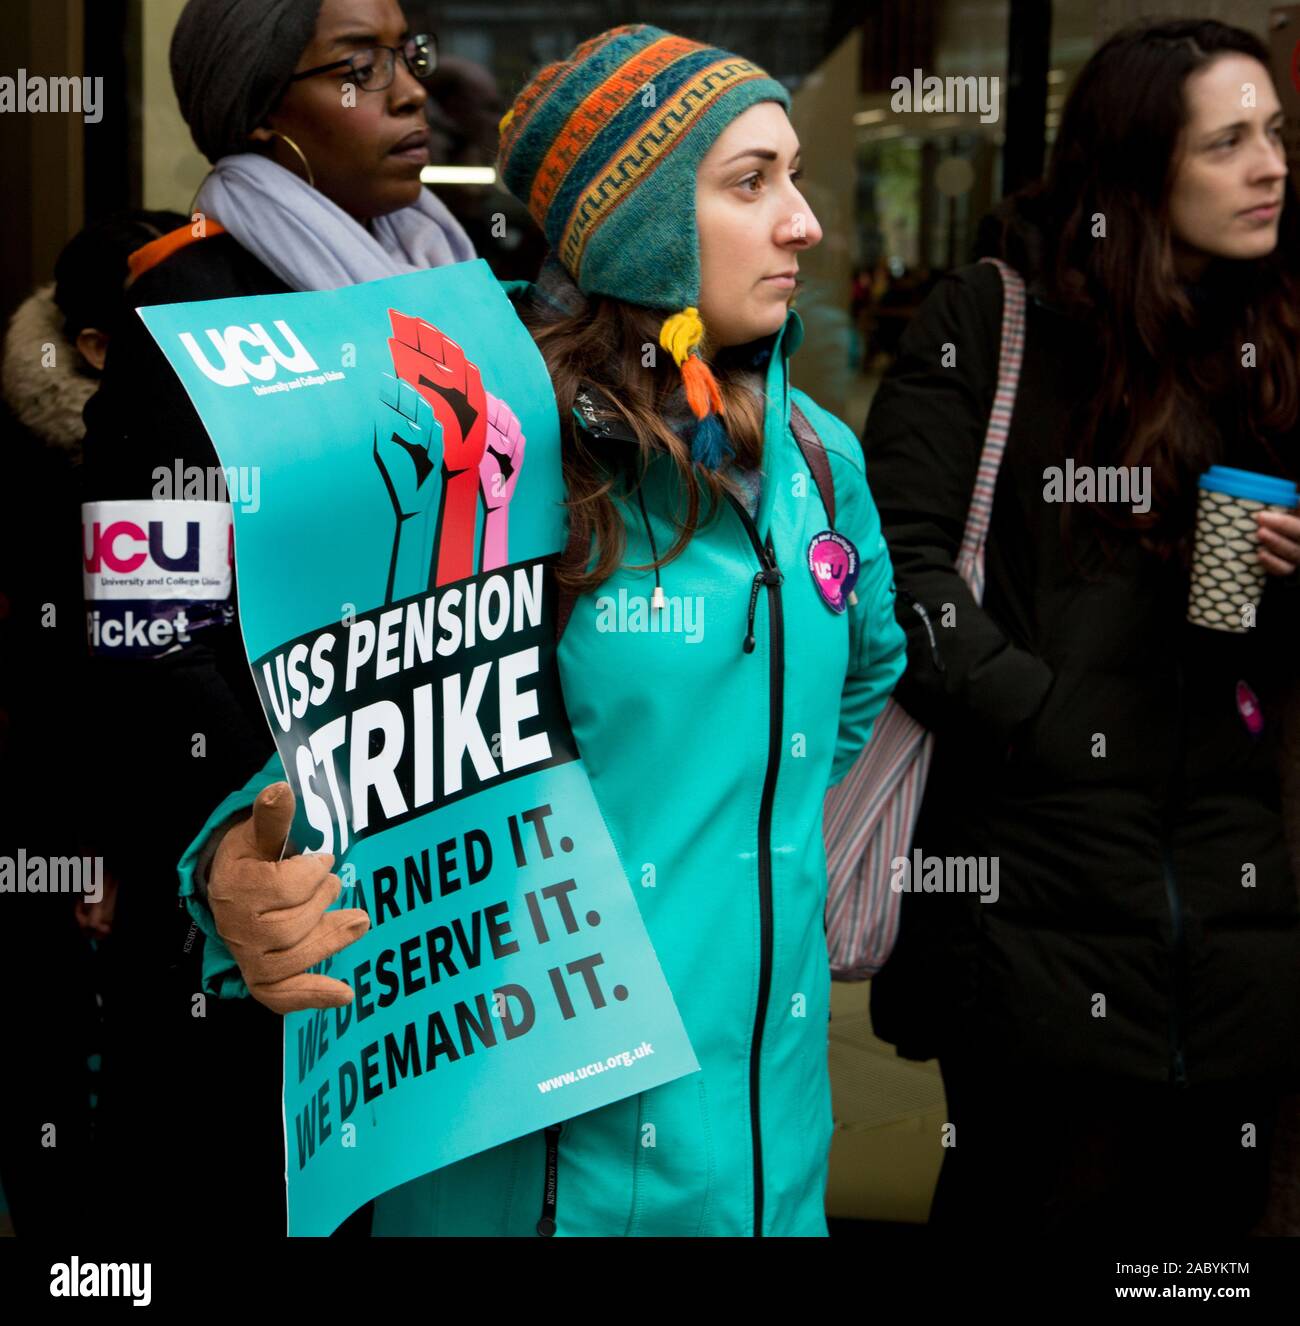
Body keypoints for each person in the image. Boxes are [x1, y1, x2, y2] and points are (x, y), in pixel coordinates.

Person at [179, 23, 907, 1236]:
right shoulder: (500, 456)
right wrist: (234, 876)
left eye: (794, 177)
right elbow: (362, 731)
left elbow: (862, 667)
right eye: (750, 183)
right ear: (645, 229)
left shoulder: (819, 458)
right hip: (539, 1175)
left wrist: (719, 800)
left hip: (768, 1172)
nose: (804, 224)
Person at [865, 18, 1300, 1235]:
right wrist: (1038, 718)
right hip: (1030, 903)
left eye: (1273, 134)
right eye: (1227, 142)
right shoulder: (994, 318)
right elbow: (896, 569)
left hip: (1229, 906)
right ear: (1135, 166)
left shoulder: (1272, 339)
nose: (1269, 165)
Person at [77, 0, 474, 1233]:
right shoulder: (186, 309)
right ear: (261, 110)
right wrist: (239, 829)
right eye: (355, 71)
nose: (407, 93)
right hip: (271, 890)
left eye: (407, 57)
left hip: (437, 876)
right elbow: (148, 626)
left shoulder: (450, 279)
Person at [0, 209, 183, 1233]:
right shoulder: (45, 477)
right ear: (98, 349)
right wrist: (89, 850)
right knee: (66, 1074)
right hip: (62, 830)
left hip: (170, 826)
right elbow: (61, 680)